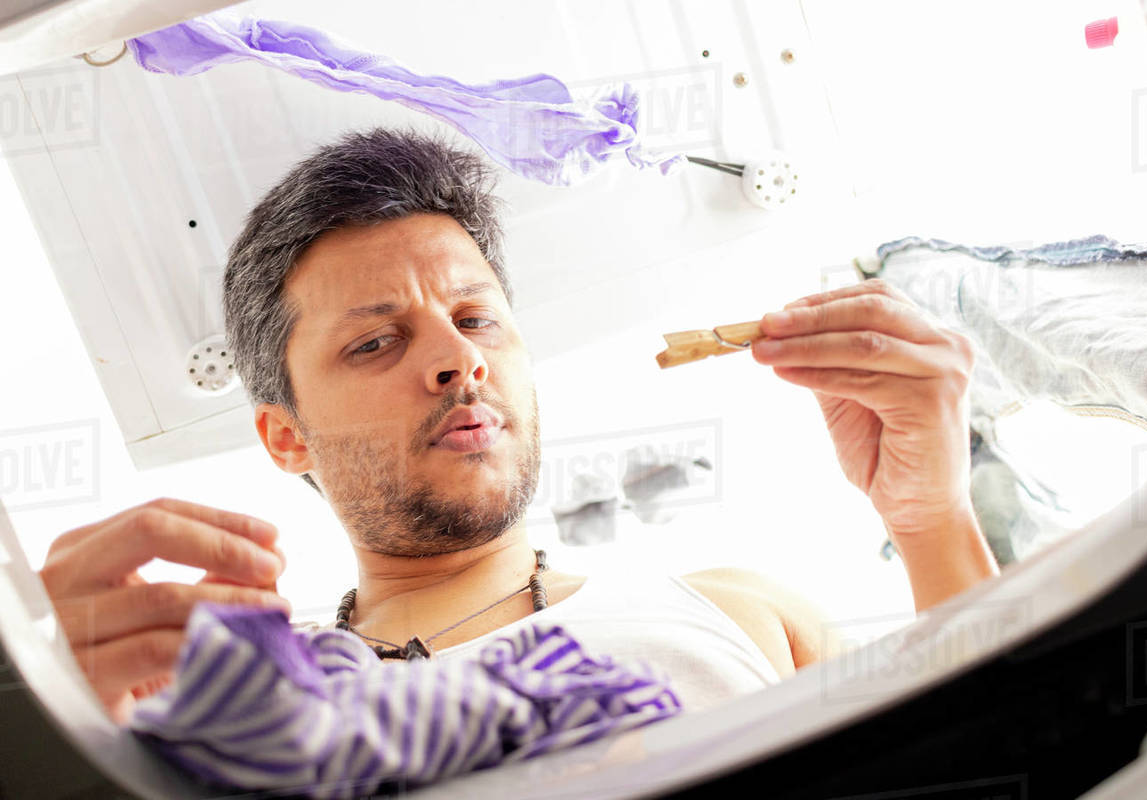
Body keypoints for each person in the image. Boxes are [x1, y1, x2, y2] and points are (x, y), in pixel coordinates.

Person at [37, 128, 998, 725]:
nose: (457, 359)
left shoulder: (745, 616)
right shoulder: (224, 707)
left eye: (476, 316)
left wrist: (933, 522)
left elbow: (1003, 761)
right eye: (375, 343)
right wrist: (37, 719)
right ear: (286, 438)